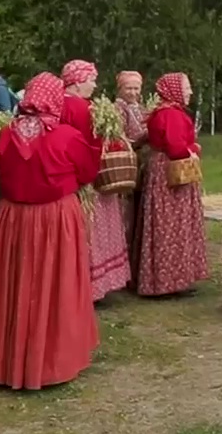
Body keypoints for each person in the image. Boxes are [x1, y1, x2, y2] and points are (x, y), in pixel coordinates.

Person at [0, 73, 102, 390]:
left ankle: (6, 360)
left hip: (12, 219)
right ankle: (51, 361)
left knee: (12, 284)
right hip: (55, 218)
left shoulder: (4, 135)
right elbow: (87, 171)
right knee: (55, 284)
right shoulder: (66, 136)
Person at [62, 60, 129, 301]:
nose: (94, 84)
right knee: (90, 231)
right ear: (78, 82)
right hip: (85, 177)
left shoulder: (58, 103)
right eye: (91, 79)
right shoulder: (81, 109)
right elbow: (89, 143)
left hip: (66, 176)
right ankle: (91, 286)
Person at [137, 73, 209, 297]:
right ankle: (169, 281)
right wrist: (194, 150)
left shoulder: (164, 112)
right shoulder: (171, 114)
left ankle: (165, 279)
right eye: (186, 87)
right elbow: (176, 147)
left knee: (166, 224)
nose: (190, 92)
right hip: (172, 171)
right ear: (175, 90)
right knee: (172, 225)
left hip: (162, 169)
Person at [110, 70, 149, 272]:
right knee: (125, 211)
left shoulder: (141, 108)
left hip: (141, 162)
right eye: (129, 88)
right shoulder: (118, 108)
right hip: (126, 162)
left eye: (136, 88)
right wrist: (143, 136)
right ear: (121, 89)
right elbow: (119, 136)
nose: (133, 92)